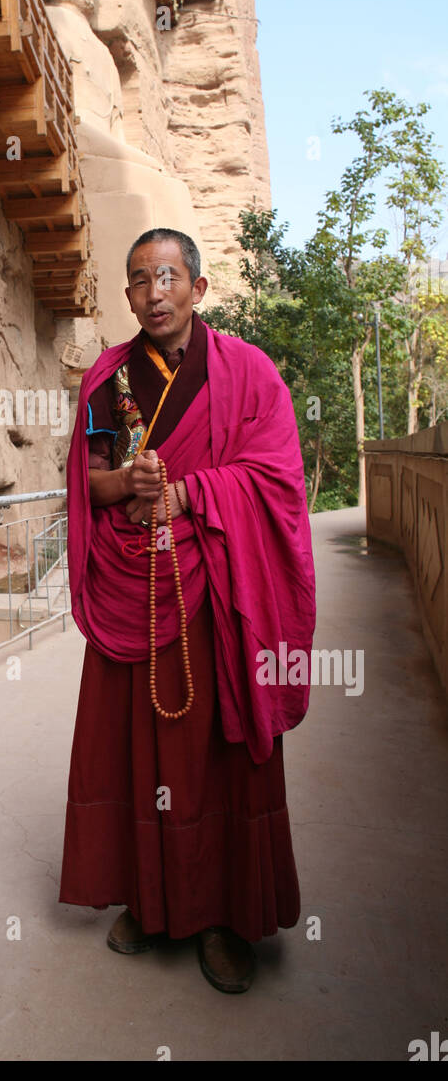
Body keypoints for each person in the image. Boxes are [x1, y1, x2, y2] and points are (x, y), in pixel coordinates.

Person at [59, 227, 317, 992]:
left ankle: (223, 915)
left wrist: (190, 492)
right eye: (139, 280)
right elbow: (88, 481)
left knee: (214, 752)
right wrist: (130, 488)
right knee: (136, 748)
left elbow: (275, 480)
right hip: (131, 584)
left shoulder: (248, 373)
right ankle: (151, 898)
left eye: (168, 276)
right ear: (129, 296)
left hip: (216, 584)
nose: (154, 292)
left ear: (198, 289)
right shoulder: (107, 381)